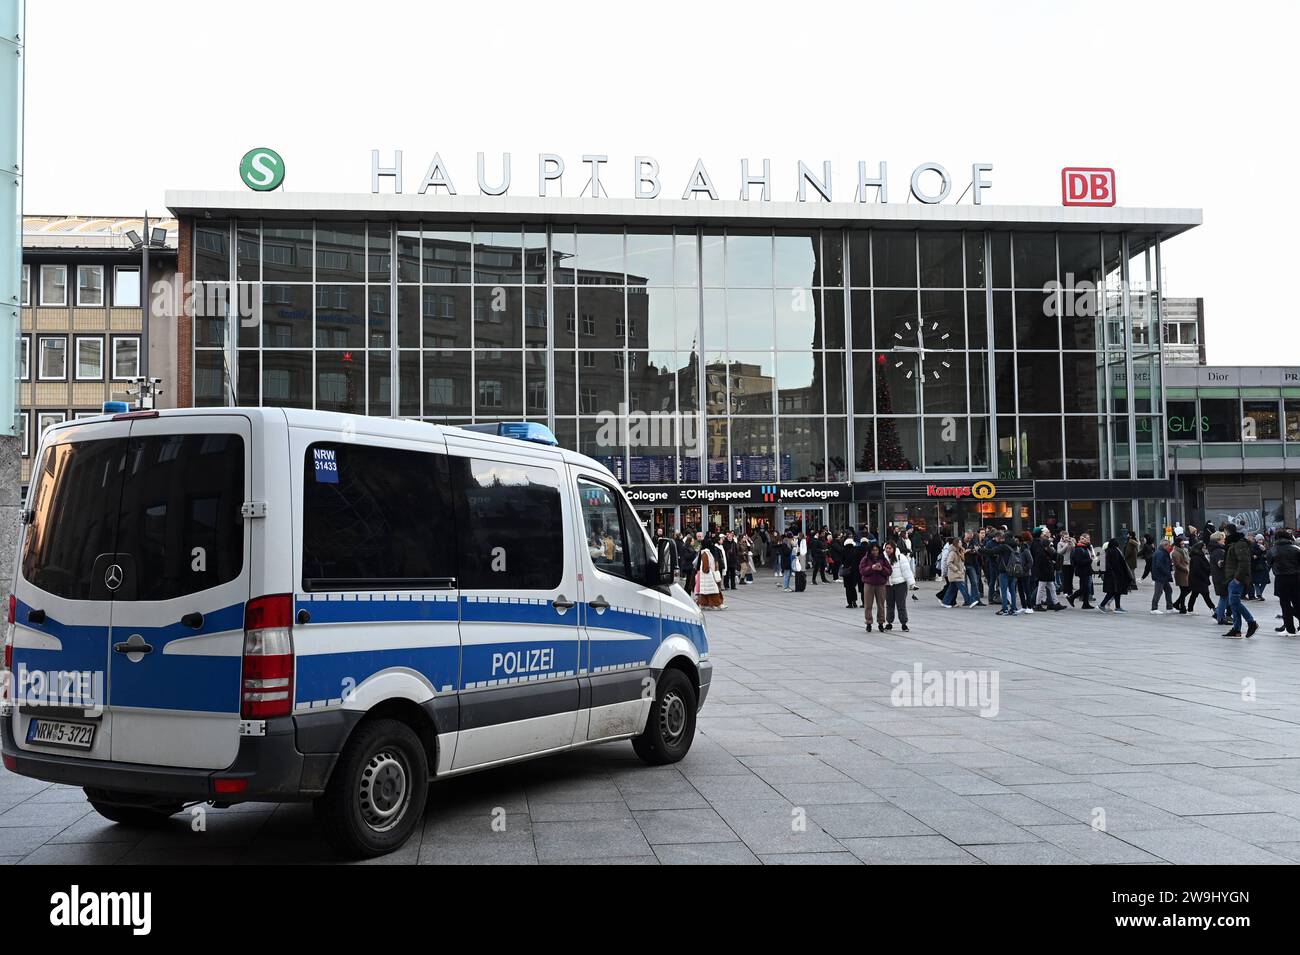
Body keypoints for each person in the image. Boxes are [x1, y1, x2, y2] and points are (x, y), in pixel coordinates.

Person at [1223, 527, 1258, 638]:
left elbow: (1244, 562)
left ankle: (1251, 622)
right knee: (1233, 603)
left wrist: (1237, 578)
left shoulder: (1239, 544)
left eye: (1225, 532)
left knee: (1234, 602)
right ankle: (1236, 629)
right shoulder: (1233, 543)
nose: (1224, 535)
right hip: (1232, 577)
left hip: (1237, 579)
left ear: (1229, 532)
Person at [1268, 530, 1299, 634]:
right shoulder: (1296, 549)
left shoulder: (1273, 550)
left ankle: (1290, 629)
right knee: (1297, 603)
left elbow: (1269, 562)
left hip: (1281, 578)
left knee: (1285, 605)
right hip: (1296, 578)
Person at [882, 540, 916, 630]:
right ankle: (889, 622)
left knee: (901, 605)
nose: (888, 550)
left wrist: (912, 583)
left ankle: (904, 623)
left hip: (900, 584)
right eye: (886, 548)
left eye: (890, 548)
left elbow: (907, 572)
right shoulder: (883, 558)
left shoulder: (901, 557)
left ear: (894, 548)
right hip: (888, 585)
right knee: (889, 605)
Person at [859, 543, 891, 633]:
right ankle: (868, 623)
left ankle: (881, 622)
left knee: (881, 604)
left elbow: (889, 571)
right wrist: (871, 568)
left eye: (876, 550)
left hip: (880, 584)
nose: (875, 552)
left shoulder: (883, 559)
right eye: (873, 550)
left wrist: (882, 569)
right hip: (869, 584)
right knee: (868, 605)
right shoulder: (865, 559)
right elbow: (862, 570)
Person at [942, 541, 982, 608]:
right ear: (956, 544)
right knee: (963, 588)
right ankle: (970, 601)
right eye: (960, 543)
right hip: (955, 574)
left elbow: (963, 560)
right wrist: (956, 569)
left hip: (958, 573)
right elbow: (949, 562)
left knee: (952, 589)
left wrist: (963, 553)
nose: (961, 544)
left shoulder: (959, 552)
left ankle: (945, 602)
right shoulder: (952, 552)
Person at [1098, 538, 1132, 613]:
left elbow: (1102, 564)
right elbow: (1117, 564)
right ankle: (1102, 605)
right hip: (1115, 575)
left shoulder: (1107, 551)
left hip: (1110, 575)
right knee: (1113, 592)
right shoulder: (1114, 551)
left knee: (1116, 591)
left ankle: (1117, 607)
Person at [1034, 532, 1064, 611]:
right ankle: (1038, 604)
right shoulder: (1042, 554)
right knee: (1041, 589)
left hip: (1047, 574)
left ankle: (1055, 603)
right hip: (1044, 574)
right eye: (1049, 546)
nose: (1050, 547)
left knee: (1051, 588)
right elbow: (1042, 565)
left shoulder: (1045, 552)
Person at [1186, 536, 1215, 616]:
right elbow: (1196, 570)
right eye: (1204, 547)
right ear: (1200, 548)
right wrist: (1204, 575)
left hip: (1198, 580)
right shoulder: (1196, 558)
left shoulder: (1200, 556)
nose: (1205, 549)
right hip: (1199, 580)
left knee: (1194, 594)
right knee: (1205, 595)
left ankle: (1190, 609)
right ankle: (1213, 608)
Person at [1067, 534, 1095, 608]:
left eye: (1087, 538)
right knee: (1084, 588)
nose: (1086, 540)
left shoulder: (1085, 547)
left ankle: (1085, 603)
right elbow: (1079, 561)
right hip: (1083, 571)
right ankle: (1072, 597)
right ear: (1080, 540)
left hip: (1086, 570)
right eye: (1084, 538)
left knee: (1086, 588)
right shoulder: (1079, 549)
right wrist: (1090, 560)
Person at [693, 544, 724, 610]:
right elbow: (705, 567)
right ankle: (717, 604)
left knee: (705, 592)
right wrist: (708, 571)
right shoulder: (706, 554)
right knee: (713, 590)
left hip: (706, 576)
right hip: (708, 576)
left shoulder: (705, 553)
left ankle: (704, 604)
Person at [1208, 531, 1230, 624]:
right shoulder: (1219, 551)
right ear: (1218, 540)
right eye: (1222, 538)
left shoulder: (1215, 550)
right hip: (1222, 577)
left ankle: (1219, 614)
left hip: (1219, 577)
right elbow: (1221, 564)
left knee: (1225, 597)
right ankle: (1220, 617)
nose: (1224, 540)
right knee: (1224, 597)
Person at [1149, 539, 1174, 614]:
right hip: (1160, 576)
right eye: (1168, 545)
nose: (1169, 547)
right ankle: (1154, 608)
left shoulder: (1162, 552)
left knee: (1168, 590)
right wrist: (1166, 571)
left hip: (1163, 576)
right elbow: (1159, 565)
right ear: (1164, 545)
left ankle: (1169, 607)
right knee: (1158, 592)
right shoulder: (1160, 553)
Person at [1171, 538, 1191, 613]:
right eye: (1181, 544)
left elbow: (1188, 560)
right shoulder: (1175, 553)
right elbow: (1177, 564)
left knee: (1186, 590)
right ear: (1178, 544)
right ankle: (1182, 607)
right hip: (1181, 574)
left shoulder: (1184, 551)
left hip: (1186, 573)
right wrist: (1186, 569)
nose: (1183, 545)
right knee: (1184, 590)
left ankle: (1177, 604)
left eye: (1183, 544)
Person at [840, 535, 861, 609]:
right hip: (854, 571)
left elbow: (842, 560)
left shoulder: (844, 551)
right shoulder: (856, 551)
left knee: (847, 587)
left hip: (846, 571)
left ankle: (849, 603)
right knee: (853, 587)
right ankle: (854, 601)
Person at [1250, 534, 1270, 600]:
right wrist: (1261, 550)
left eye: (1261, 540)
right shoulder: (1253, 546)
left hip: (1263, 566)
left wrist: (1264, 550)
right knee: (1256, 582)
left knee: (1265, 581)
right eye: (1259, 539)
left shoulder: (1264, 546)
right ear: (1256, 540)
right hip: (1256, 566)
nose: (1260, 541)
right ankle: (1259, 595)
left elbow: (1266, 556)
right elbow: (1254, 556)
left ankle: (1259, 594)